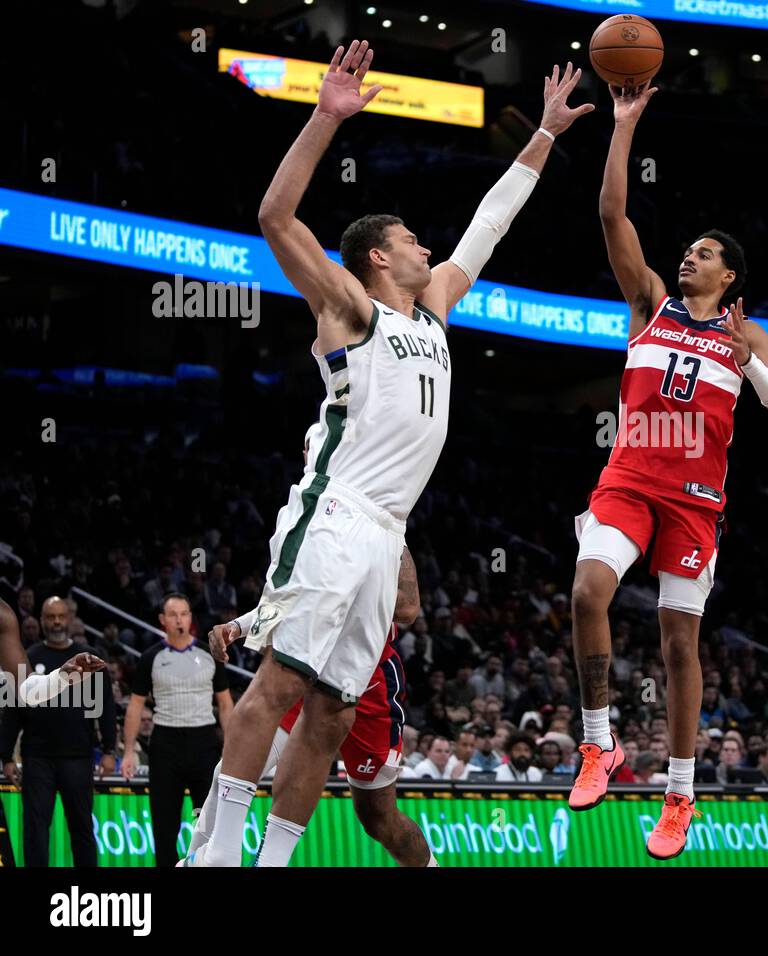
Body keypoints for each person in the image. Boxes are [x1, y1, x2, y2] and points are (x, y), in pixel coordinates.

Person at [193, 43, 592, 868]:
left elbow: (490, 224)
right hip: (334, 511)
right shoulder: (350, 307)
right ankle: (218, 855)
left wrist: (544, 135)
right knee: (282, 682)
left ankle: (272, 860)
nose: (427, 247)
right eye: (412, 238)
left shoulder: (435, 308)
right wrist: (324, 117)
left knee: (336, 709)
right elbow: (274, 218)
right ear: (379, 256)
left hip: (387, 532)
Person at [566, 80, 768, 861]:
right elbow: (611, 215)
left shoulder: (750, 333)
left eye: (702, 253)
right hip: (628, 479)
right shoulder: (650, 304)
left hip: (696, 499)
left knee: (677, 647)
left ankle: (679, 792)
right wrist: (624, 126)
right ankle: (599, 743)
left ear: (729, 274)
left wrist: (748, 363)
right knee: (588, 590)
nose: (686, 257)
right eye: (688, 249)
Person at [192, 546, 432, 866]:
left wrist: (345, 586)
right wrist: (239, 626)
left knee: (379, 819)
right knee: (225, 772)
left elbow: (407, 609)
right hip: (312, 666)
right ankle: (198, 860)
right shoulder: (318, 522)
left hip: (369, 680)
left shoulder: (389, 537)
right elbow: (289, 597)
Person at [0, 597, 115, 867]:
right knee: (35, 829)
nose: (56, 622)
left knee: (82, 828)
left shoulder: (4, 616)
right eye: (51, 616)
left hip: (76, 756)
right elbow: (15, 710)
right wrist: (6, 754)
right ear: (41, 620)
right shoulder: (34, 651)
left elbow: (26, 692)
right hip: (38, 756)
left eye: (61, 616)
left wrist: (62, 676)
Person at [120, 593, 233, 866]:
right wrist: (127, 752)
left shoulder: (209, 654)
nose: (179, 619)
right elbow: (135, 706)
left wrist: (231, 749)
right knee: (164, 827)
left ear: (191, 618)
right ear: (162, 620)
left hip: (204, 743)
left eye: (184, 613)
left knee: (209, 824)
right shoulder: (150, 658)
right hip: (165, 746)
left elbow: (225, 703)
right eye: (173, 614)